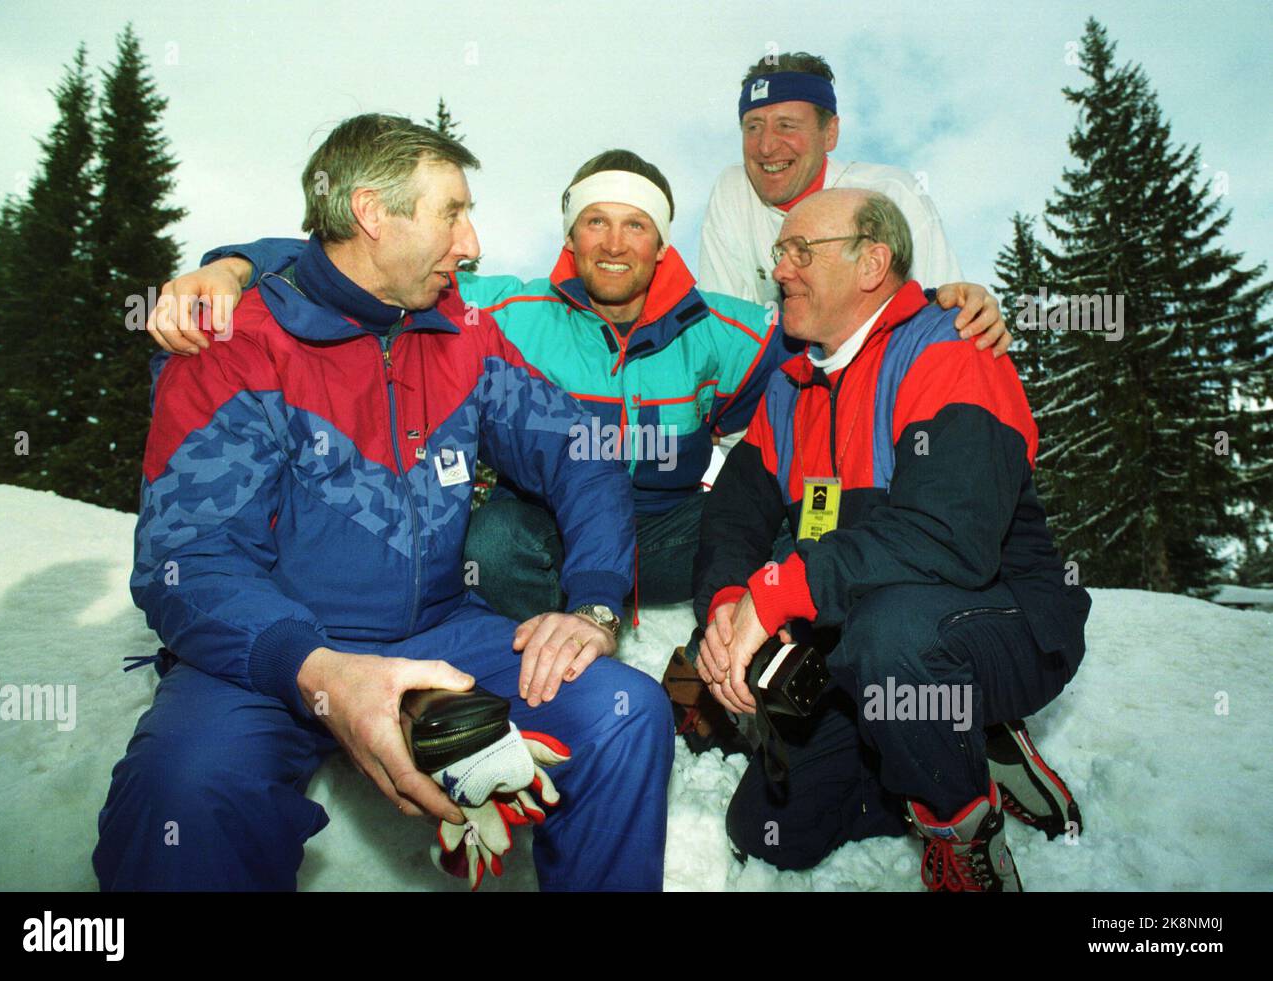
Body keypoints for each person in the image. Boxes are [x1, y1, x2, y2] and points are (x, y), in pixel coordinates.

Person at [93, 115, 674, 892]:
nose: (471, 243)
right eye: (452, 213)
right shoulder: (232, 343)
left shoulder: (462, 332)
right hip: (264, 654)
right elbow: (187, 562)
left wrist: (596, 604)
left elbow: (582, 450)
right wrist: (320, 670)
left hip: (433, 632)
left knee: (625, 713)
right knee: (181, 797)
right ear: (371, 213)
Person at [145, 152, 1009, 625]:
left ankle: (775, 654)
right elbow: (359, 262)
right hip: (551, 525)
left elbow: (839, 318)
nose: (613, 241)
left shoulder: (734, 328)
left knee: (782, 519)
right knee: (490, 536)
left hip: (670, 528)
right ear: (573, 233)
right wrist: (232, 264)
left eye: (636, 224)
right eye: (595, 220)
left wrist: (942, 302)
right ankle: (548, 645)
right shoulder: (504, 307)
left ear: (660, 243)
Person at [692, 188, 1091, 891]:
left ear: (873, 261)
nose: (779, 269)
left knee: (894, 631)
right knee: (767, 828)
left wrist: (782, 589)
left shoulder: (950, 347)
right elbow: (731, 516)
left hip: (998, 621)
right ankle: (959, 748)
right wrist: (729, 602)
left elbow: (952, 538)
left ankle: (960, 830)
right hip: (864, 645)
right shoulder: (788, 386)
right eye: (777, 252)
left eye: (799, 251)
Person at [700, 52, 965, 309]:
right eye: (753, 127)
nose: (766, 146)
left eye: (786, 125)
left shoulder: (893, 195)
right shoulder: (734, 190)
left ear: (830, 133)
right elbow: (723, 326)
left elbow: (945, 316)